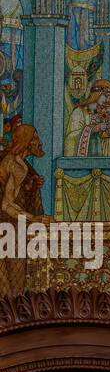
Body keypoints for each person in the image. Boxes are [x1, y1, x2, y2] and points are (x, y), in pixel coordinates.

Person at [0, 124, 43, 295]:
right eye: (36, 138)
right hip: (6, 227)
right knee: (10, 289)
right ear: (28, 142)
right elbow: (6, 205)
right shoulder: (15, 165)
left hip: (11, 227)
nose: (39, 143)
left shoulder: (18, 162)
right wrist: (34, 219)